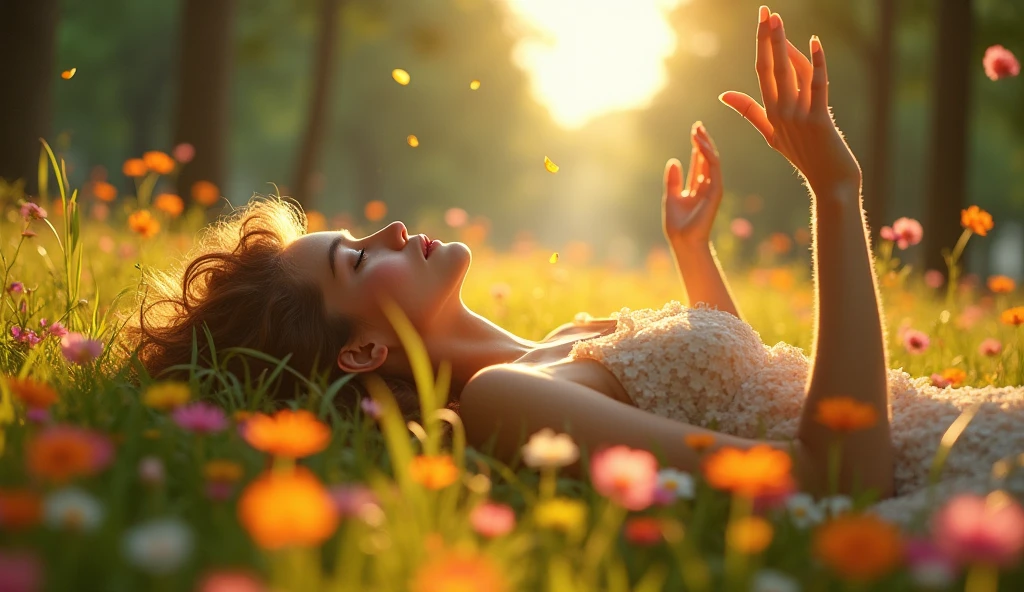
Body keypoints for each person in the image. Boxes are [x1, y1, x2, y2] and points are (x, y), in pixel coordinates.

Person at [124, 6, 1024, 524]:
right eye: (359, 261)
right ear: (361, 353)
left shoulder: (555, 345)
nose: (392, 229)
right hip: (961, 486)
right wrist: (836, 194)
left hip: (973, 425)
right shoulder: (507, 398)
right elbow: (835, 477)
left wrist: (694, 261)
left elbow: (741, 391)